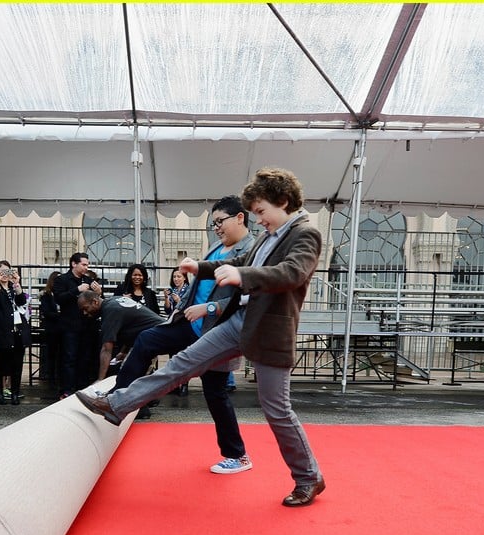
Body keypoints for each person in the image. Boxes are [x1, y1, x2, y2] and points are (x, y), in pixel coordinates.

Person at [77, 167, 325, 507]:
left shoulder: (305, 234)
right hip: (239, 320)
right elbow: (238, 259)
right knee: (183, 363)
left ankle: (309, 477)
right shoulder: (270, 236)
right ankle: (117, 403)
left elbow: (291, 273)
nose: (259, 220)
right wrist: (201, 268)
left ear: (283, 201)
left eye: (261, 212)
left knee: (277, 410)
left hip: (270, 330)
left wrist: (240, 274)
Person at [109, 195, 257, 472]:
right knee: (146, 340)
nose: (216, 228)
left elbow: (251, 297)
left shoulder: (253, 251)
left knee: (215, 394)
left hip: (217, 334)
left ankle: (238, 456)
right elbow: (199, 281)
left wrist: (209, 307)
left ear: (240, 218)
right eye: (213, 224)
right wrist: (184, 304)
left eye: (220, 222)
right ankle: (117, 398)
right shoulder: (216, 248)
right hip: (187, 324)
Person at [77, 290, 165, 384]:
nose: (85, 313)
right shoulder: (114, 301)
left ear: (95, 301)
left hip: (155, 336)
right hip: (157, 333)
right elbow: (134, 326)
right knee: (130, 376)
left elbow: (106, 349)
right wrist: (123, 351)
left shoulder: (110, 311)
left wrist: (100, 380)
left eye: (86, 308)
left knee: (129, 378)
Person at [53, 252, 102, 397]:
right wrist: (77, 290)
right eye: (84, 264)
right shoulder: (62, 279)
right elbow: (59, 298)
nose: (86, 267)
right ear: (74, 264)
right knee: (69, 358)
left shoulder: (89, 279)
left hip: (87, 326)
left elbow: (97, 303)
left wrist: (99, 292)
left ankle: (83, 389)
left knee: (85, 358)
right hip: (69, 326)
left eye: (87, 265)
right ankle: (67, 389)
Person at [0, 261, 32, 405]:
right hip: (0, 332)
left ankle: (15, 394)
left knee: (17, 365)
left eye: (7, 271)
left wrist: (17, 283)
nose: (5, 275)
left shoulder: (13, 288)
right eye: (2, 271)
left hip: (17, 332)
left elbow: (21, 301)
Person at [38, 271, 62, 389]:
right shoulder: (46, 295)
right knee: (51, 354)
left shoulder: (62, 293)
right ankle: (51, 377)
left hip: (62, 329)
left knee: (62, 355)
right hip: (51, 329)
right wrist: (60, 315)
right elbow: (46, 312)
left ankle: (59, 377)